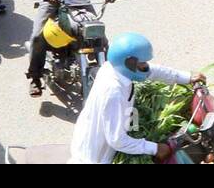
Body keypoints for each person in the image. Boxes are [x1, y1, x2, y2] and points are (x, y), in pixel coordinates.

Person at [70, 32, 204, 163]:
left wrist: (186, 77)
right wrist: (155, 148)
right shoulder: (113, 92)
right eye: (142, 63)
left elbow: (152, 71)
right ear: (129, 63)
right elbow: (117, 140)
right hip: (95, 157)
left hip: (104, 135)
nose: (145, 66)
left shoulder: (114, 68)